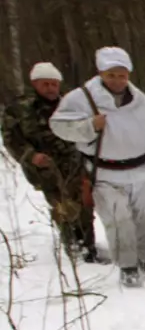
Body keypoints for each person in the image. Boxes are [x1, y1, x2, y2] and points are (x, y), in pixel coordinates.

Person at [50, 46, 145, 288]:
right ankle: (127, 266)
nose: (117, 80)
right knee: (119, 220)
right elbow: (58, 125)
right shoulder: (81, 98)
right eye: (111, 75)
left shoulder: (142, 102)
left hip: (140, 170)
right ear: (101, 73)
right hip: (105, 172)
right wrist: (88, 126)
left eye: (122, 75)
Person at [1, 62, 107, 264]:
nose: (50, 88)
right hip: (46, 169)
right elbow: (11, 139)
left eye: (54, 84)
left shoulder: (70, 103)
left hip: (76, 164)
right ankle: (74, 248)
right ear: (35, 84)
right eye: (45, 84)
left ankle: (89, 249)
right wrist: (31, 156)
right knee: (63, 207)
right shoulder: (20, 109)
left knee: (85, 207)